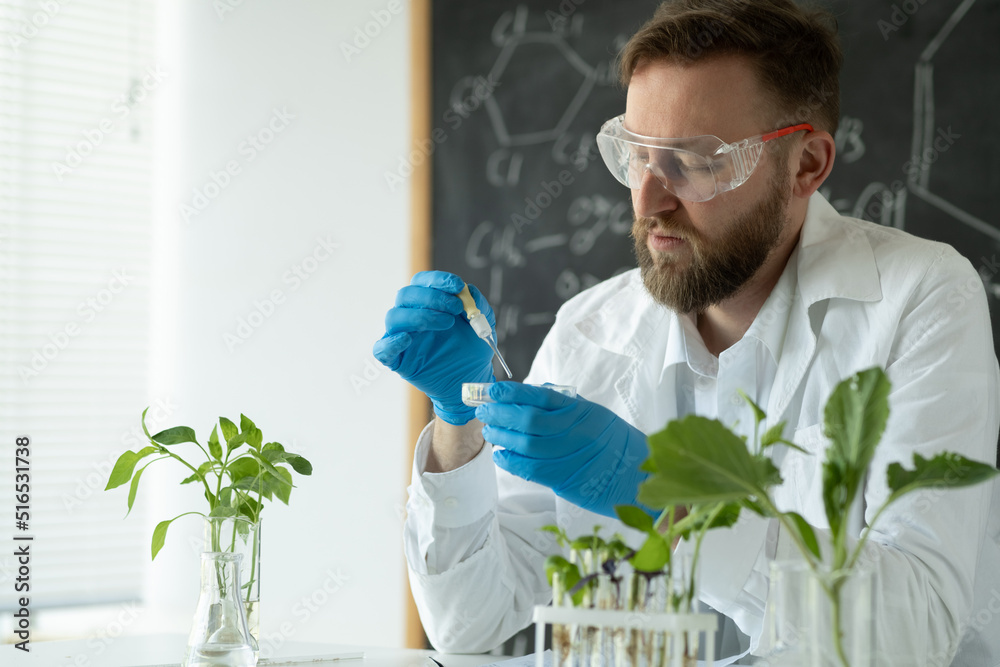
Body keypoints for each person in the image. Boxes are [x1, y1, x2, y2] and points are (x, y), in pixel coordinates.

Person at [373, 1, 1000, 664]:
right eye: (637, 154)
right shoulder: (592, 329)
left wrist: (667, 499)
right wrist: (456, 424)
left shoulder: (918, 299)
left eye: (695, 161)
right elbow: (470, 624)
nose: (648, 199)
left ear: (807, 165)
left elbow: (917, 625)